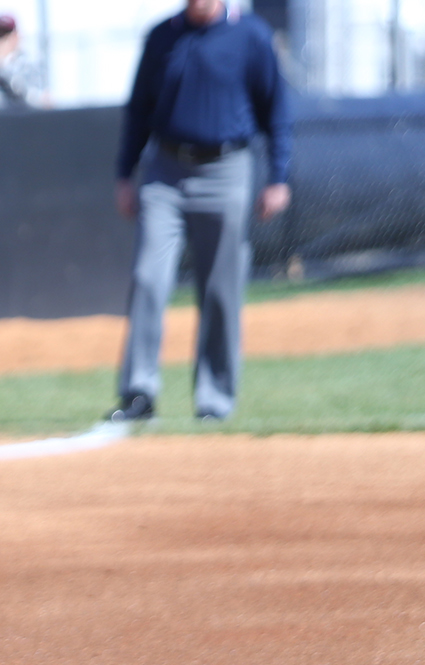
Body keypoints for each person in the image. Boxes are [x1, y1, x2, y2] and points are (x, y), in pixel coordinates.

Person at [107, 0, 292, 423]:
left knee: (220, 289)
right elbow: (138, 110)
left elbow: (277, 112)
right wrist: (124, 173)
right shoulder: (163, 36)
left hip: (226, 170)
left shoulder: (251, 36)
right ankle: (139, 393)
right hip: (165, 171)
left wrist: (278, 178)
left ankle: (215, 399)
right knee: (148, 277)